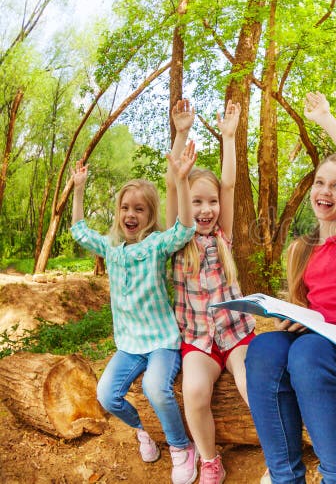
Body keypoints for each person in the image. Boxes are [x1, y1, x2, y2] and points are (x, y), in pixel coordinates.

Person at [245, 91, 336, 484]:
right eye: (321, 182)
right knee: (262, 348)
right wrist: (289, 321)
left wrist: (325, 118)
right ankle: (284, 475)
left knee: (309, 352)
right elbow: (304, 309)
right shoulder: (300, 249)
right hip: (317, 345)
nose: (326, 191)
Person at [70, 145, 199, 484]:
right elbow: (79, 231)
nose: (131, 214)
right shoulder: (112, 248)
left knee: (157, 388)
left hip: (161, 341)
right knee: (106, 395)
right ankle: (144, 429)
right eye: (125, 208)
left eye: (139, 209)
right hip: (129, 345)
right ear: (118, 213)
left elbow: (185, 229)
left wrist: (182, 181)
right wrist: (79, 188)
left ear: (149, 214)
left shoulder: (156, 245)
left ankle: (181, 447)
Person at [166, 99, 257, 484]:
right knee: (195, 393)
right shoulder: (177, 239)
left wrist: (230, 137)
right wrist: (182, 134)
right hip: (199, 341)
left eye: (212, 201)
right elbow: (173, 184)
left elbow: (231, 183)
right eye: (196, 201)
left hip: (236, 333)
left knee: (253, 385)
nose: (206, 209)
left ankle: (277, 452)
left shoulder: (223, 236)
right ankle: (208, 460)